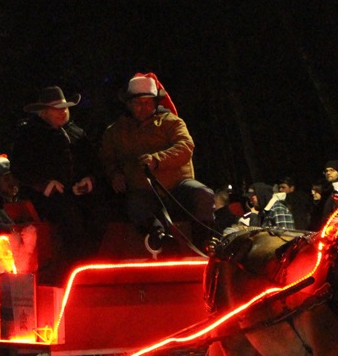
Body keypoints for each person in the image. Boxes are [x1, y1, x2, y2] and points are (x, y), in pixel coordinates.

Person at [100, 73, 215, 248]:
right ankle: (161, 239)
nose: (143, 107)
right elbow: (108, 159)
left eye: (147, 102)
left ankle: (204, 244)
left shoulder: (172, 123)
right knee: (135, 205)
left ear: (155, 103)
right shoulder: (115, 131)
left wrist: (157, 160)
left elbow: (185, 147)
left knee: (202, 194)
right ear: (128, 104)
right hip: (142, 191)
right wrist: (114, 175)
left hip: (177, 187)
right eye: (138, 103)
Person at [12, 86, 104, 273]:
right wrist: (44, 184)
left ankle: (89, 267)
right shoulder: (29, 135)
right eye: (57, 108)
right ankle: (70, 270)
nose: (63, 112)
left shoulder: (76, 132)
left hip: (77, 194)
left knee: (100, 212)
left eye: (65, 108)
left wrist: (88, 180)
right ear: (45, 112)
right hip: (45, 197)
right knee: (70, 219)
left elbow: (94, 163)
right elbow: (19, 169)